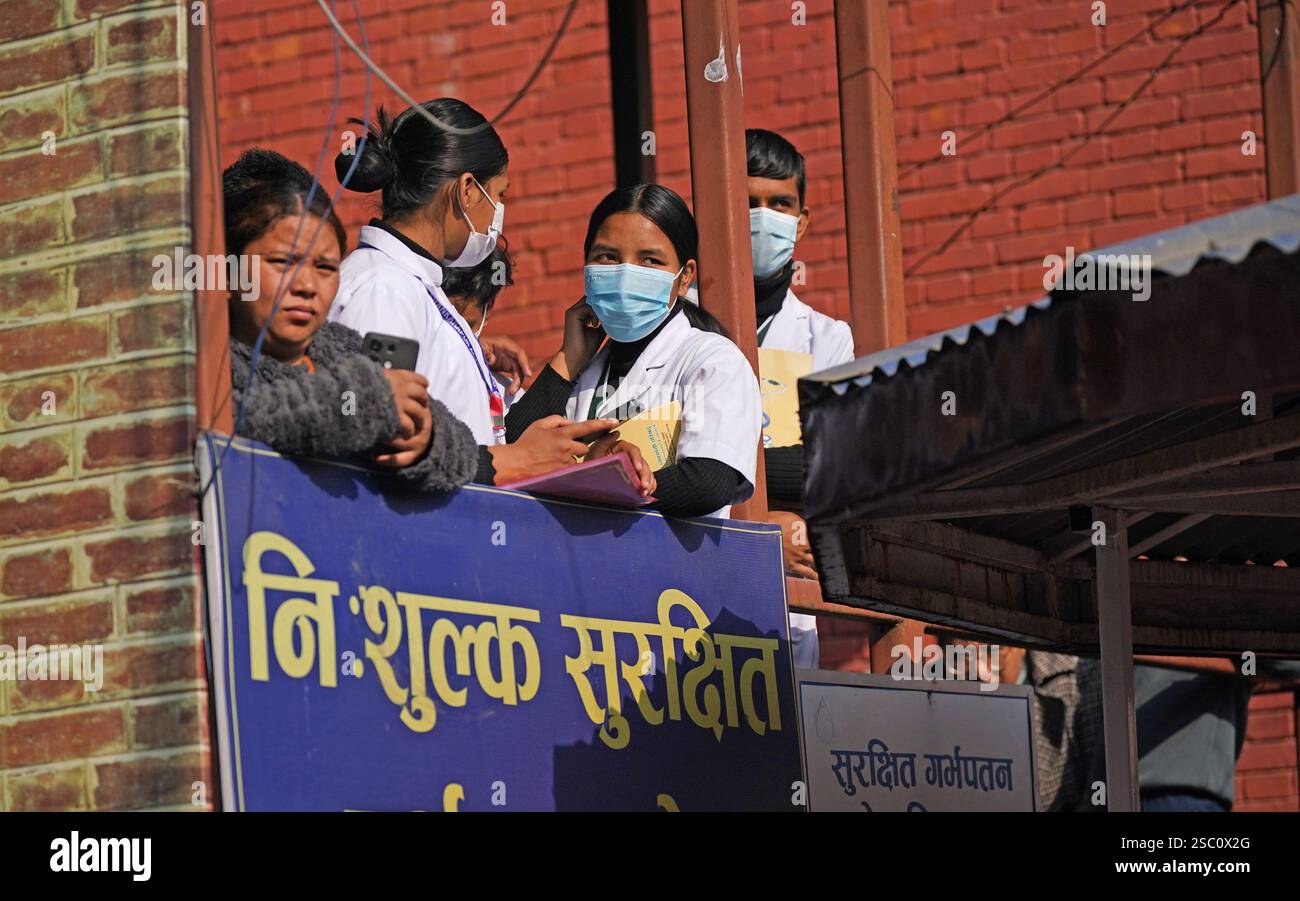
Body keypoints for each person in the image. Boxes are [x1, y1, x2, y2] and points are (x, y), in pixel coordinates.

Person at [328, 98, 646, 491]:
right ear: (467, 191)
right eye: (501, 194)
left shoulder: (414, 287)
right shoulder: (383, 289)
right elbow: (375, 447)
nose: (499, 210)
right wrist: (516, 460)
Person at [222, 147, 478, 491]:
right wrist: (367, 400)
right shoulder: (210, 364)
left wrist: (427, 439)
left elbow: (455, 439)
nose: (307, 286)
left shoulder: (341, 346)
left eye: (325, 267)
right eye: (283, 262)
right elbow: (246, 418)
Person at [507, 183, 761, 519]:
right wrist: (566, 362)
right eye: (607, 257)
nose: (627, 273)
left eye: (650, 260)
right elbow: (513, 454)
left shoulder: (711, 360)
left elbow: (710, 482)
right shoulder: (584, 369)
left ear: (685, 278)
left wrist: (606, 484)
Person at [747, 128, 856, 668]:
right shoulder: (674, 326)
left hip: (786, 614)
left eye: (779, 203)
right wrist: (762, 522)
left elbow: (826, 480)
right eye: (747, 203)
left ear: (802, 221)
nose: (763, 217)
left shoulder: (827, 340)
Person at [441, 242, 531, 404]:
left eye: (464, 325)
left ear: (488, 310)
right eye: (443, 321)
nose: (453, 336)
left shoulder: (505, 397)